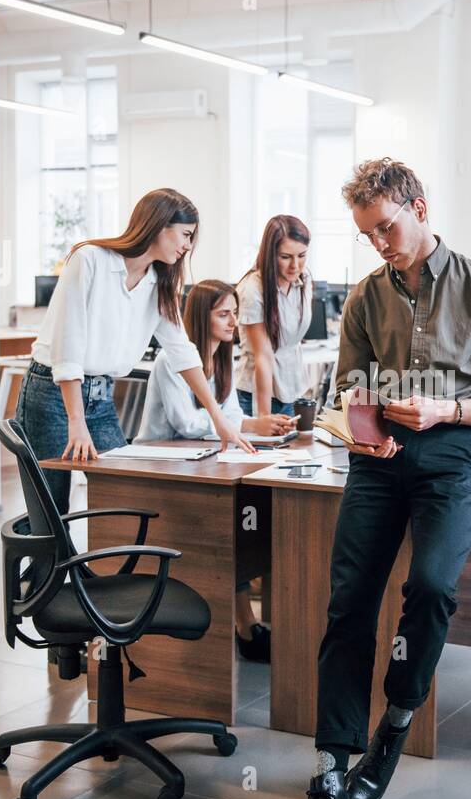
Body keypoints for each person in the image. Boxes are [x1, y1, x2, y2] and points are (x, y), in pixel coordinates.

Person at [305, 158, 471, 799]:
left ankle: (394, 725)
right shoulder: (365, 295)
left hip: (454, 453)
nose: (379, 244)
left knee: (431, 587)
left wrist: (448, 411)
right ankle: (331, 758)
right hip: (379, 459)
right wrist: (365, 422)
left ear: (420, 209)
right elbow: (348, 382)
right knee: (349, 602)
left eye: (386, 227)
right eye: (367, 234)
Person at [18, 189, 254, 514]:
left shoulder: (160, 283)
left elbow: (183, 352)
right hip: (53, 394)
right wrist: (76, 421)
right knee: (50, 510)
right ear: (159, 225)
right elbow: (67, 346)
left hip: (100, 396)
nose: (187, 246)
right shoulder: (90, 260)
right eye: (185, 235)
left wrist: (219, 418)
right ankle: (47, 567)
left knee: (125, 493)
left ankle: (104, 564)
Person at [138, 279, 295, 661]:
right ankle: (244, 627)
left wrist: (238, 426)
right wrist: (229, 425)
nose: (233, 322)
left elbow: (233, 416)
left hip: (202, 461)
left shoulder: (221, 358)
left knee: (247, 524)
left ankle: (247, 624)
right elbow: (185, 423)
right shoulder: (171, 361)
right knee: (228, 529)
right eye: (224, 314)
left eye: (236, 313)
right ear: (199, 317)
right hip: (160, 466)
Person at [234, 215, 315, 418]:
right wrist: (264, 417)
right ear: (271, 254)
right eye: (286, 257)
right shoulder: (253, 289)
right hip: (258, 394)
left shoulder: (304, 280)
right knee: (264, 448)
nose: (295, 266)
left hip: (291, 391)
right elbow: (264, 356)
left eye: (302, 255)